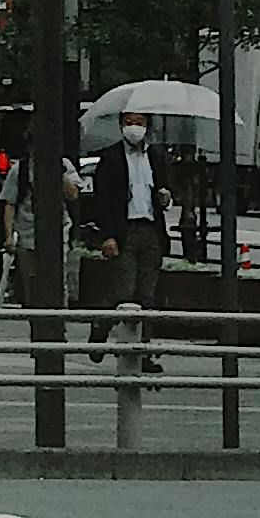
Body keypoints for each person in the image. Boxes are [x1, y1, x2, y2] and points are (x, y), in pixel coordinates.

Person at [82, 109, 171, 358]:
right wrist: (107, 236)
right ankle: (101, 327)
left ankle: (142, 351)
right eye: (129, 123)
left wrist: (165, 195)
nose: (134, 127)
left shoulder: (156, 156)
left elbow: (164, 188)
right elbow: (103, 201)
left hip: (151, 229)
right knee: (123, 291)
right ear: (121, 126)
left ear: (147, 126)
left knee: (147, 295)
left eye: (139, 123)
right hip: (125, 231)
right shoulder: (110, 158)